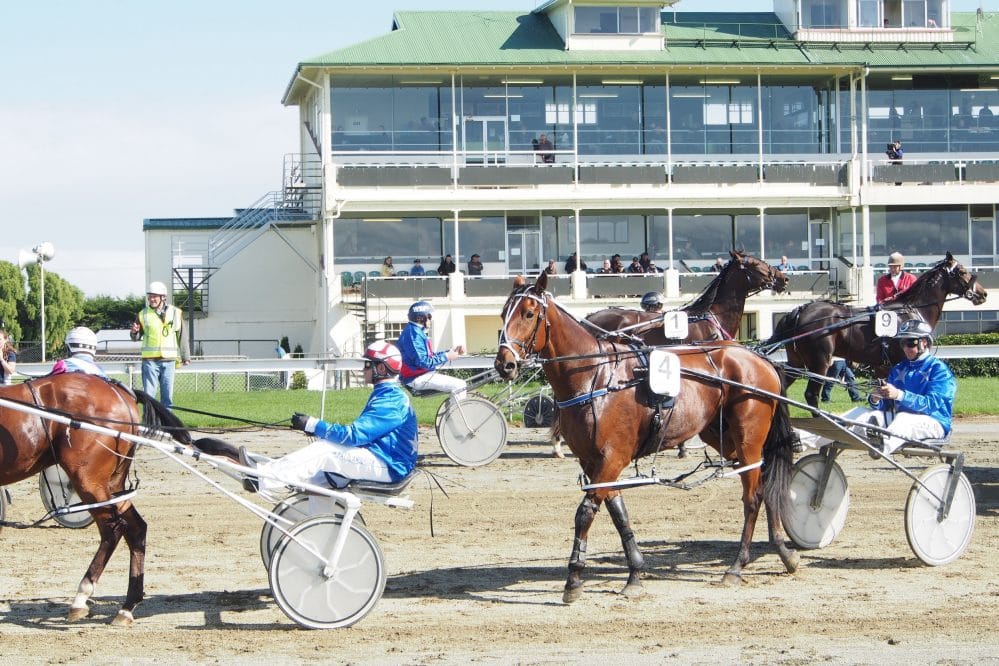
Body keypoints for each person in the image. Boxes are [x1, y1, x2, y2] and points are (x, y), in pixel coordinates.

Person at [239, 340, 419, 493]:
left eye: (367, 364)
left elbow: (353, 436)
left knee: (324, 451)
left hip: (390, 467)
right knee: (316, 483)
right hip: (384, 459)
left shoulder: (391, 400)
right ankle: (316, 524)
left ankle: (262, 479)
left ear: (381, 367)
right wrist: (316, 428)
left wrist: (313, 425)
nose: (363, 369)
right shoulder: (386, 394)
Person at [799, 320, 955, 458]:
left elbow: (933, 404)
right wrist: (876, 399)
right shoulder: (900, 368)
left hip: (935, 423)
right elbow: (886, 406)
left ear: (924, 343)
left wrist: (899, 395)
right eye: (902, 343)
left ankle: (881, 446)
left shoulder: (939, 370)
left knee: (903, 419)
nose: (905, 348)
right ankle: (801, 440)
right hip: (899, 423)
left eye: (910, 343)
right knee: (859, 413)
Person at [130, 280, 190, 409]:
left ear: (163, 297)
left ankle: (166, 426)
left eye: (154, 296)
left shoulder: (175, 313)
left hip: (169, 361)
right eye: (150, 296)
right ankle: (149, 424)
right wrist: (134, 332)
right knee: (149, 396)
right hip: (150, 361)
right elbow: (135, 337)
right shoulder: (142, 314)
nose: (151, 299)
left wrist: (186, 356)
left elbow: (182, 335)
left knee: (167, 398)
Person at [397, 300, 467, 400]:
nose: (431, 320)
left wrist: (450, 352)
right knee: (460, 385)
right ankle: (453, 415)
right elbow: (424, 362)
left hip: (421, 375)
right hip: (416, 378)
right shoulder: (414, 335)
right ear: (419, 318)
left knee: (459, 385)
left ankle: (450, 414)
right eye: (429, 317)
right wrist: (447, 356)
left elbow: (429, 356)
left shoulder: (415, 331)